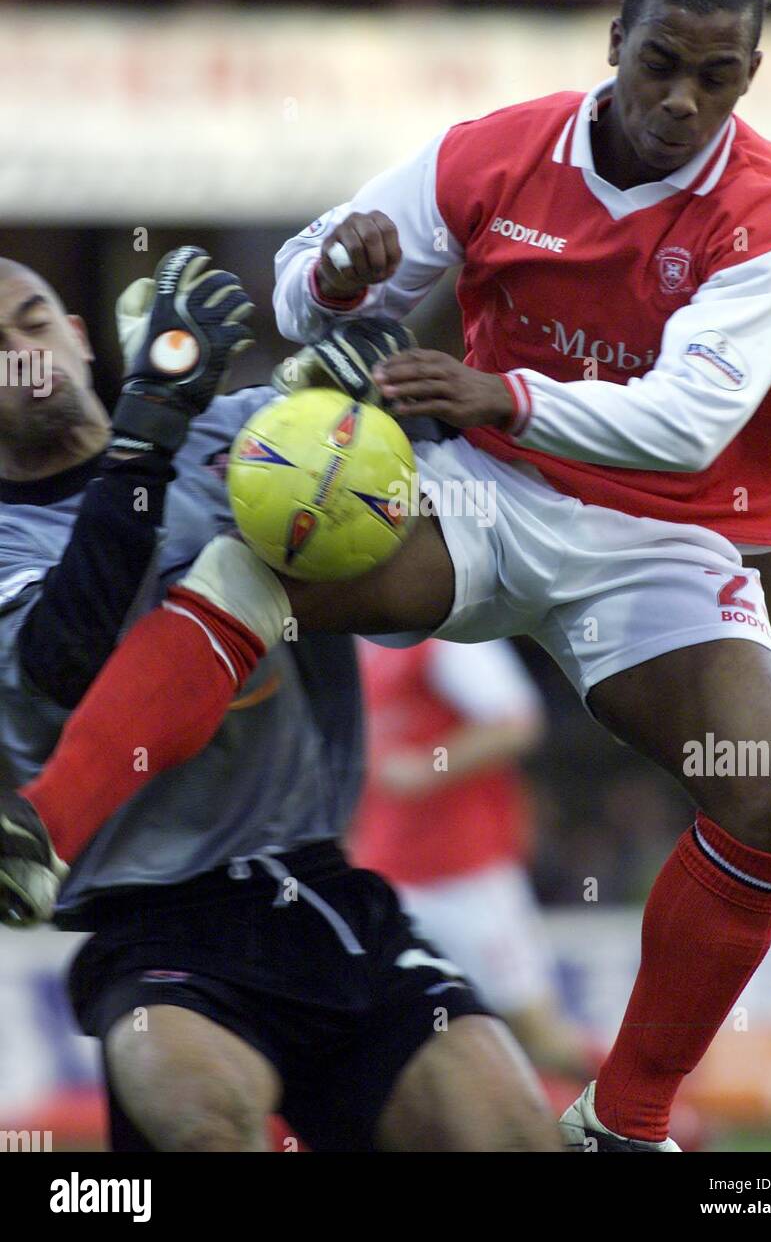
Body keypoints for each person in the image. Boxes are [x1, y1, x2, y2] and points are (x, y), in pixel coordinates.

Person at [8, 0, 771, 1152]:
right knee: (269, 543)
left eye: (717, 78)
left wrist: (514, 397)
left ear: (749, 76)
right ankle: (47, 828)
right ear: (615, 40)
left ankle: (630, 1121)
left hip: (659, 526)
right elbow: (298, 286)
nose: (680, 102)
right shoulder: (494, 154)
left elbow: (690, 419)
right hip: (488, 496)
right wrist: (343, 280)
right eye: (660, 63)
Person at [0, 253, 560, 1152]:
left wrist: (369, 381)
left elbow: (392, 461)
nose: (21, 352)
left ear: (76, 337)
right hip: (153, 932)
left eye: (32, 321)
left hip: (323, 892)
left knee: (514, 1133)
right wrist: (144, 434)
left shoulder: (244, 432)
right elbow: (62, 660)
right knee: (204, 1126)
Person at [352, 635, 599, 1080]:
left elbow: (515, 723)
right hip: (388, 872)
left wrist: (428, 767)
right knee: (386, 1034)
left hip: (465, 874)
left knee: (535, 1032)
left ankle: (650, 1118)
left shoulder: (441, 639)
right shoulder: (354, 646)